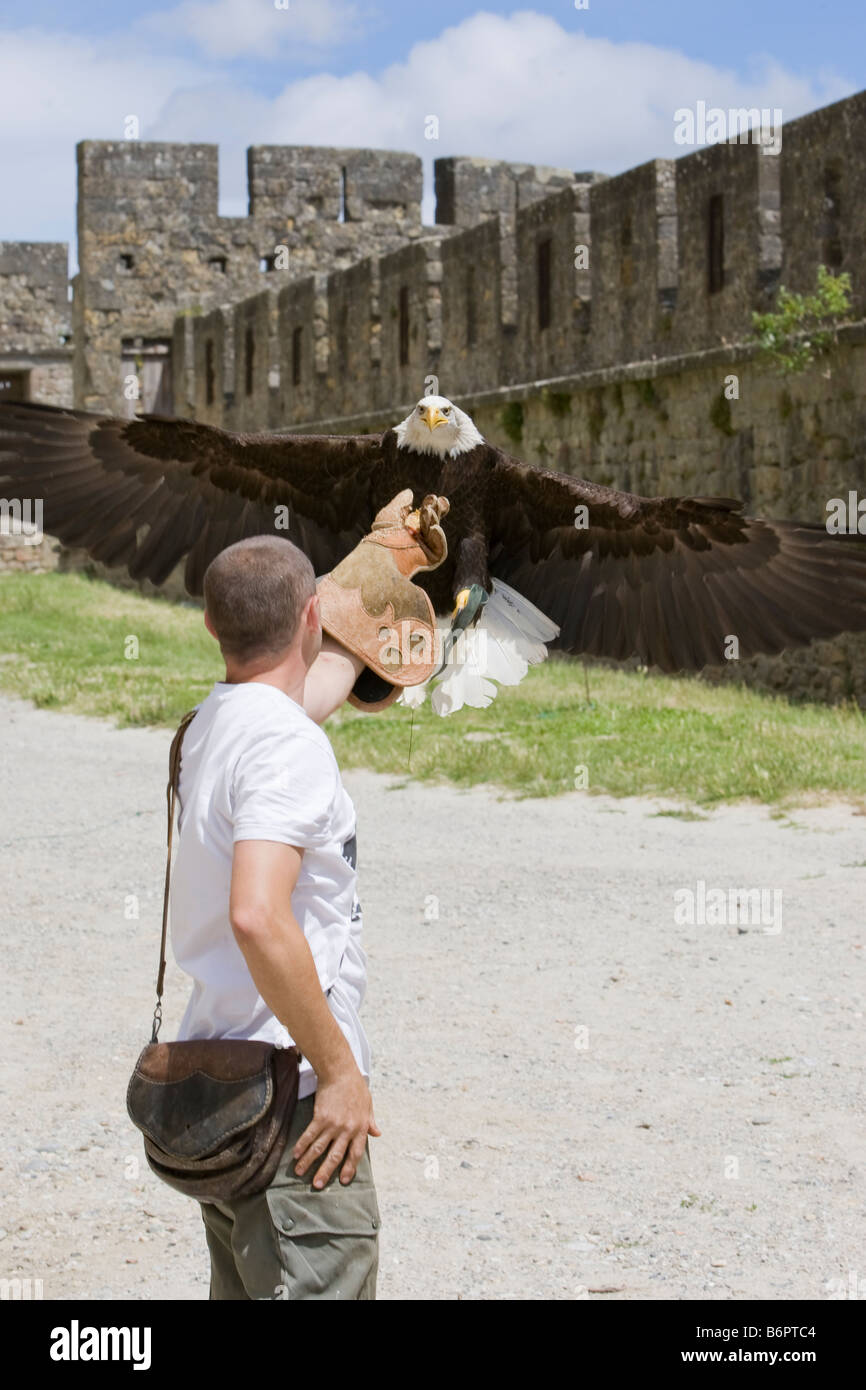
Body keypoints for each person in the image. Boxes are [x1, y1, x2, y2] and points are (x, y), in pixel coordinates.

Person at [169, 532, 381, 1301]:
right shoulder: (286, 748)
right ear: (309, 615)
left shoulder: (207, 729)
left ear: (208, 625)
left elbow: (292, 705)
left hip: (223, 1093)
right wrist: (339, 1073)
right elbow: (258, 915)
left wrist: (358, 644)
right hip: (295, 1111)